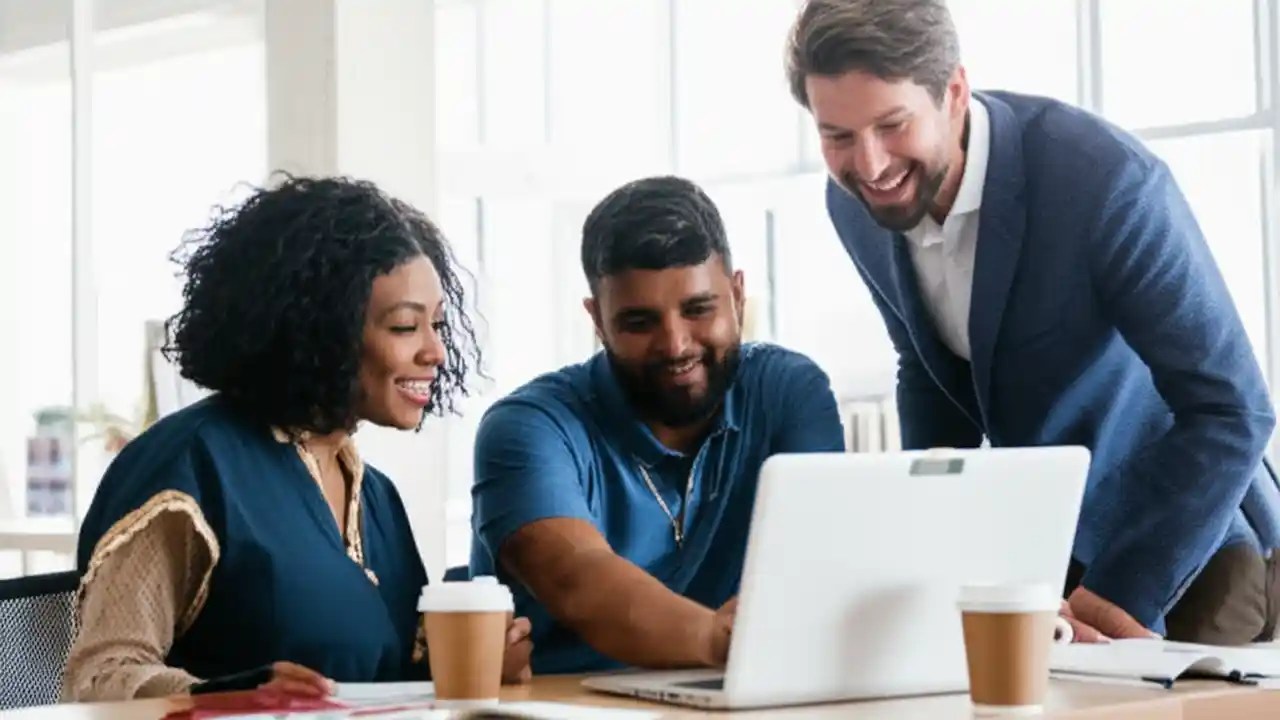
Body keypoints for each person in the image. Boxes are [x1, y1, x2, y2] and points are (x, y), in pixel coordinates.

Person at [785, 0, 1280, 644]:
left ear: (954, 92)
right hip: (1044, 557)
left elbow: (1232, 409)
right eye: (838, 137)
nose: (870, 164)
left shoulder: (1105, 183)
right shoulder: (855, 202)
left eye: (893, 125)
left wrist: (1114, 593)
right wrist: (928, 556)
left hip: (1189, 549)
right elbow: (928, 371)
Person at [63, 176, 533, 701]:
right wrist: (230, 697)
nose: (435, 353)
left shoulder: (375, 495)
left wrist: (478, 662)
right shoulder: (191, 466)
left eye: (438, 326)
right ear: (320, 329)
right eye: (405, 327)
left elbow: (380, 684)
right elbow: (99, 679)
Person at [467, 176, 846, 673]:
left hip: (741, 702)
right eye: (640, 322)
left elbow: (823, 562)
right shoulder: (529, 427)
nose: (675, 345)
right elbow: (576, 578)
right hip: (572, 706)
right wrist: (725, 641)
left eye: (698, 309)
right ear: (597, 319)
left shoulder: (788, 392)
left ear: (737, 295)